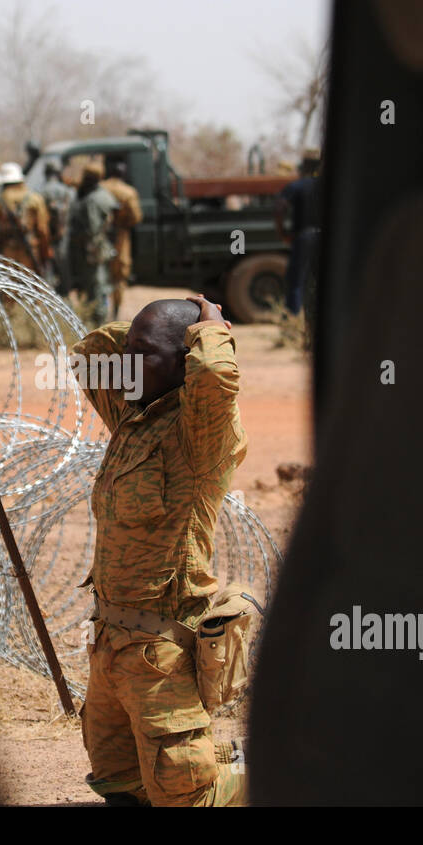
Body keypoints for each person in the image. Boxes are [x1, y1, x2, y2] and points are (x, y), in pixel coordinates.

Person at [74, 294, 248, 807]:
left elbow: (216, 376)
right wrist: (144, 335)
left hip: (161, 650)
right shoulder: (132, 417)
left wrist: (210, 322)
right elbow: (89, 353)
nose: (125, 363)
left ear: (183, 361)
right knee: (116, 782)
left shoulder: (201, 434)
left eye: (143, 353)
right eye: (128, 350)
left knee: (183, 795)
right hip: (109, 642)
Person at [66, 162, 118, 328]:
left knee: (96, 286)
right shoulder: (104, 194)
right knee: (99, 284)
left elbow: (92, 228)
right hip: (101, 248)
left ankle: (98, 323)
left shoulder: (92, 200)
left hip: (91, 250)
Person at [0, 162, 51, 275]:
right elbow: (42, 229)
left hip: (7, 253)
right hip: (31, 253)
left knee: (9, 289)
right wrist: (45, 254)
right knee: (29, 289)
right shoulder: (35, 199)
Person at [273, 152, 322, 319]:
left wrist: (283, 233)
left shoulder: (298, 186)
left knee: (296, 280)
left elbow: (280, 207)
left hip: (305, 237)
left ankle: (292, 320)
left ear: (303, 169)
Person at [100, 159, 143, 320]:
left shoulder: (101, 188)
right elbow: (136, 217)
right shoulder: (128, 192)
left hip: (101, 236)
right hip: (120, 237)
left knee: (102, 275)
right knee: (119, 276)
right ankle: (115, 313)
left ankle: (101, 312)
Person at [42, 161, 75, 294]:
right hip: (64, 236)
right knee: (64, 267)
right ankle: (66, 296)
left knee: (48, 267)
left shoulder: (41, 191)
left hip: (47, 236)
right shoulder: (67, 191)